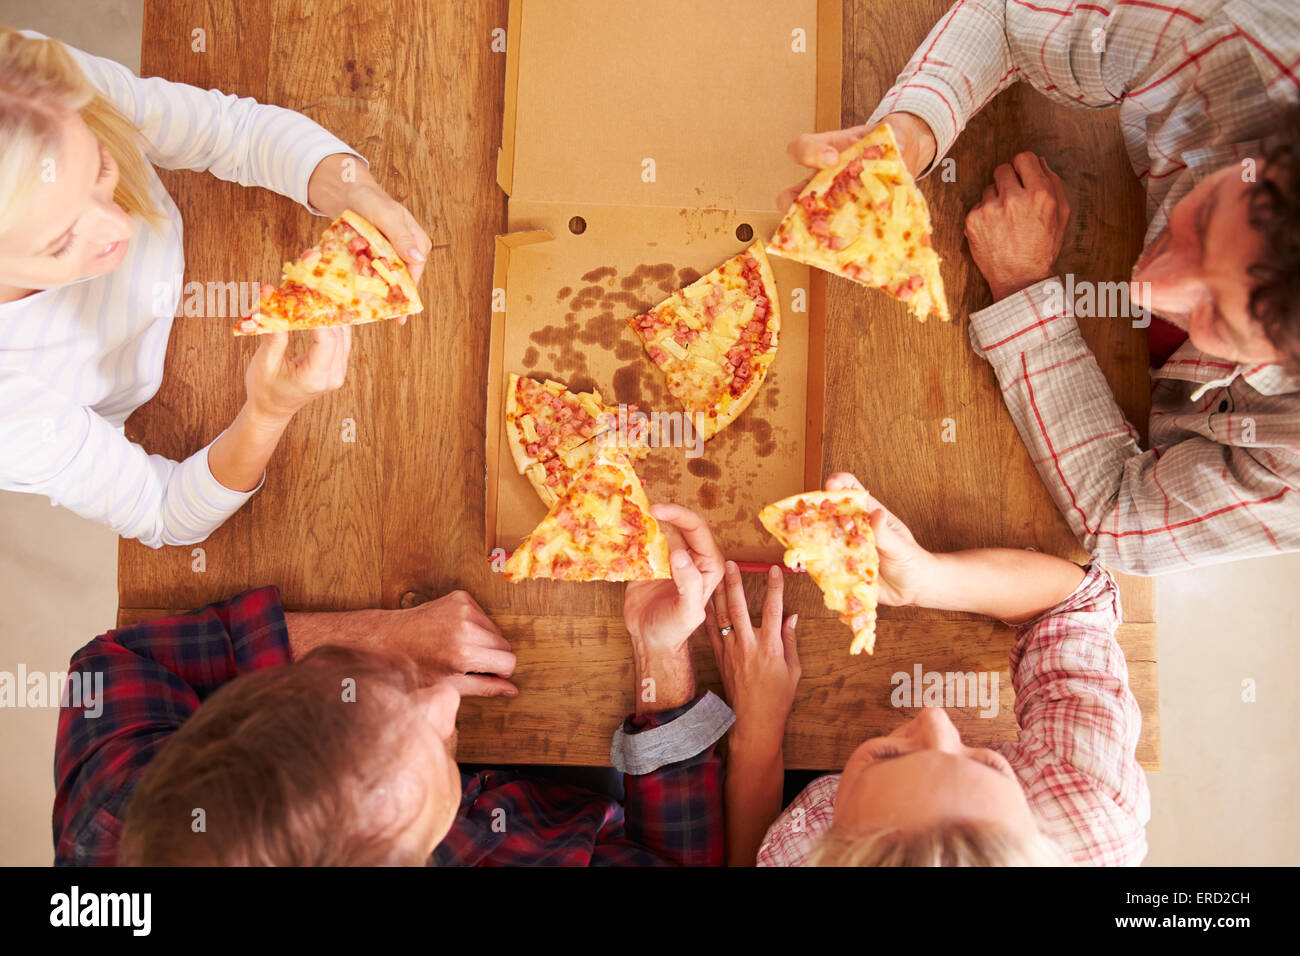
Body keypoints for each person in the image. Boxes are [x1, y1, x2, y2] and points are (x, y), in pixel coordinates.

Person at [783, 0, 1300, 575]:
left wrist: (1024, 286)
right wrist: (911, 137)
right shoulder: (1243, 37)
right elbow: (1005, 16)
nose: (1148, 287)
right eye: (1205, 221)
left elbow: (1119, 520)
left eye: (1218, 318)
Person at [53, 505, 732, 866]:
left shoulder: (117, 817)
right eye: (434, 748)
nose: (443, 695)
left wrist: (378, 636)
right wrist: (660, 657)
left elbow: (117, 667)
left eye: (365, 695)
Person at [0, 27, 432, 548]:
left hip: (211, 225)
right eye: (63, 241)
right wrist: (267, 413)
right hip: (156, 401)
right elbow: (164, 512)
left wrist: (352, 186)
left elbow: (234, 132)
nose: (120, 227)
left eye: (101, 167)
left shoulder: (24, 87)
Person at [714, 473, 1150, 866]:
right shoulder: (1091, 816)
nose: (934, 717)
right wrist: (927, 578)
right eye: (987, 764)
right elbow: (1075, 604)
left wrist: (756, 732)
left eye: (886, 757)